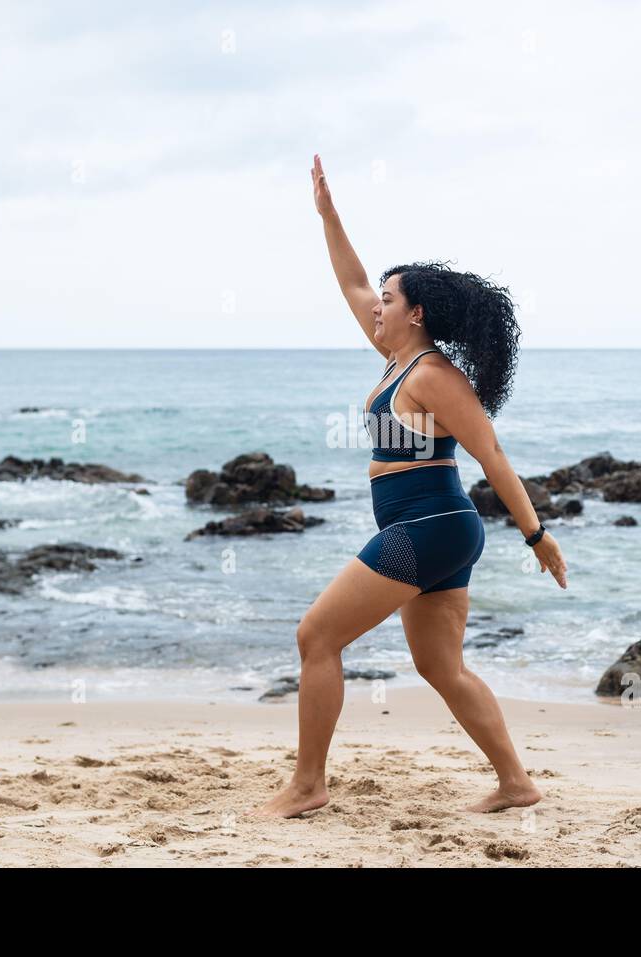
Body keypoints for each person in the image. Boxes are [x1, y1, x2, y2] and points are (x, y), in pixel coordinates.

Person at [247, 154, 567, 819]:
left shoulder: (429, 375)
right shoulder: (398, 358)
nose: (376, 309)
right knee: (441, 667)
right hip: (435, 533)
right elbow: (352, 280)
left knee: (317, 636)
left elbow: (493, 455)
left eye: (388, 302)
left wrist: (536, 533)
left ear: (415, 313)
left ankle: (307, 785)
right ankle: (516, 782)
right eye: (380, 302)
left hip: (428, 528)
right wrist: (329, 214)